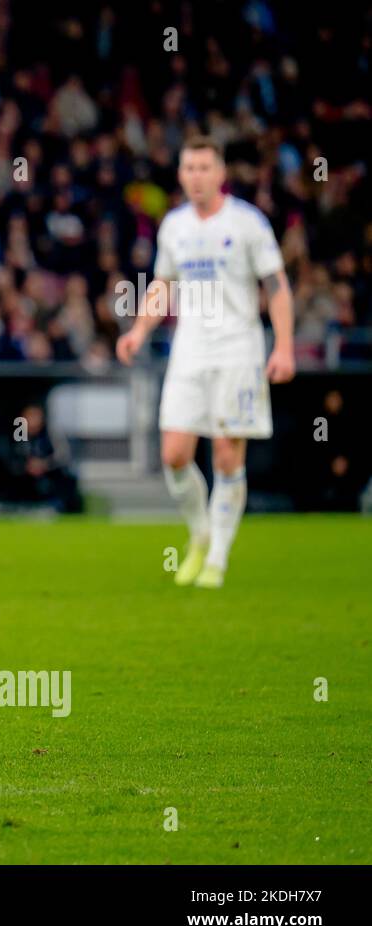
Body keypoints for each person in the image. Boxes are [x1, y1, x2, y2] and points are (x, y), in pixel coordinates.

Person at [117, 136, 295, 588]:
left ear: (220, 175)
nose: (196, 176)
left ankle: (217, 557)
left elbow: (275, 286)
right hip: (189, 349)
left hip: (238, 349)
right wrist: (139, 331)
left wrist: (285, 346)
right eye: (188, 168)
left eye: (204, 168)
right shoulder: (174, 226)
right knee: (174, 454)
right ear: (180, 175)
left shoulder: (248, 222)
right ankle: (199, 533)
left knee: (226, 454)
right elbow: (162, 285)